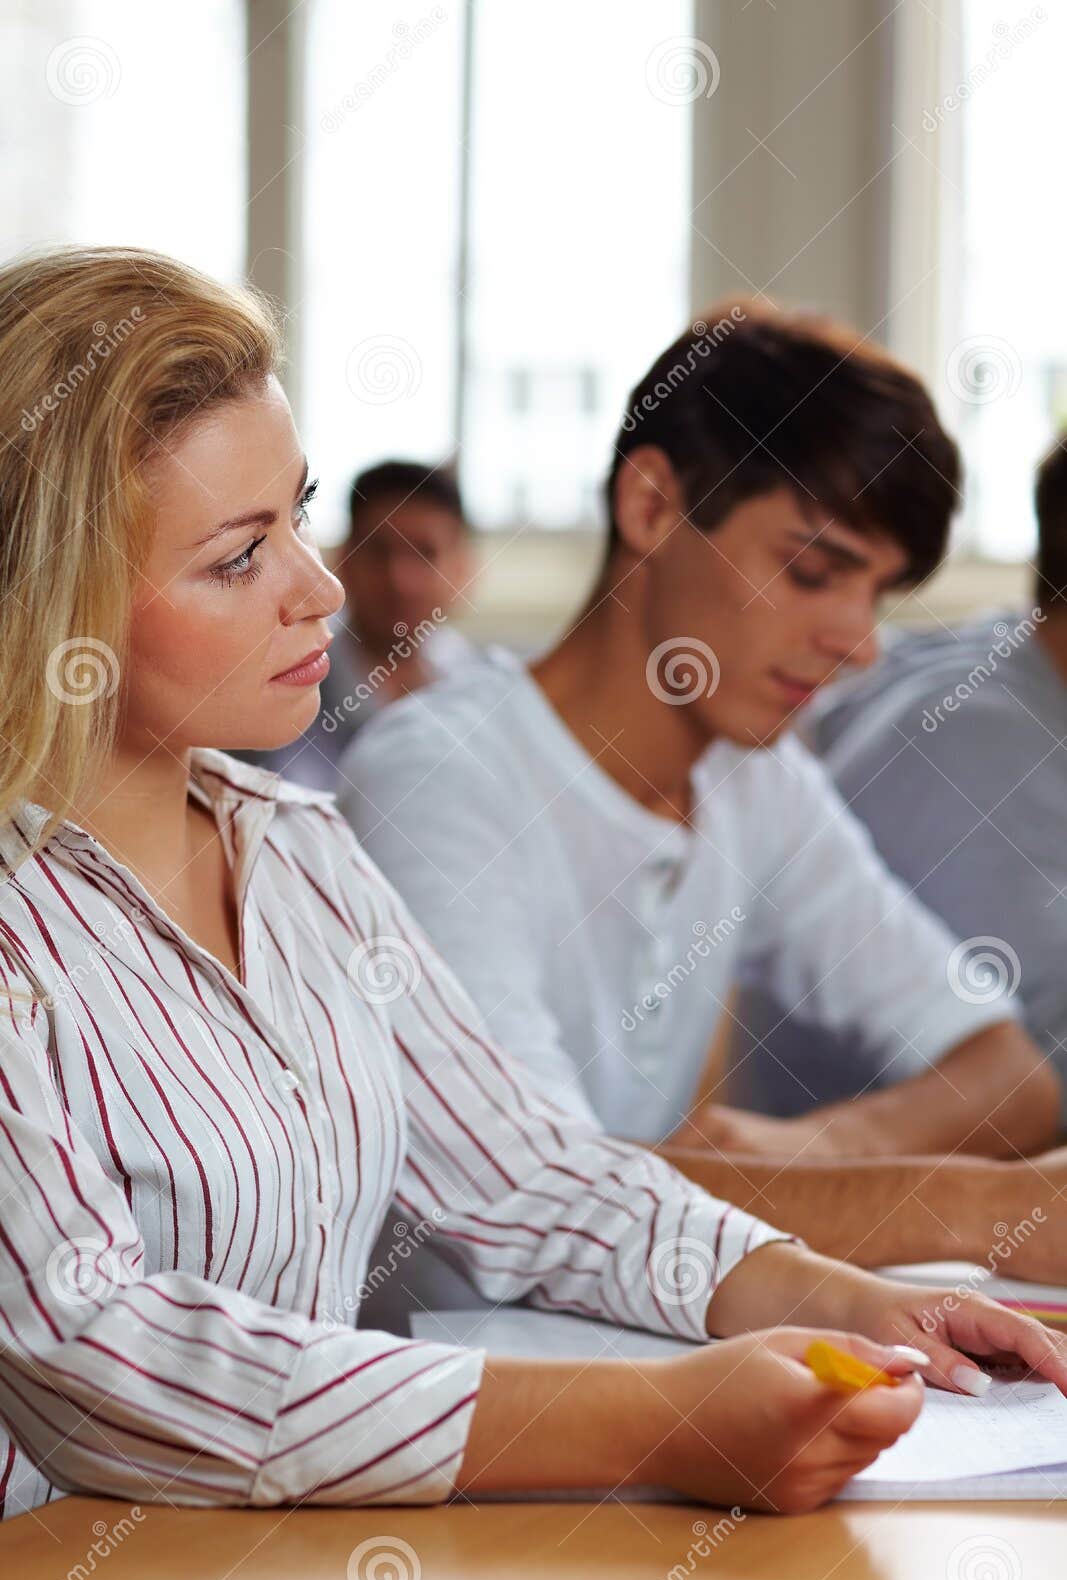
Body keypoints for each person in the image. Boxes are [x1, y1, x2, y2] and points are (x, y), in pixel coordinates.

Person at [9, 249, 1062, 1528]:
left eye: (300, 515)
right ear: (49, 593)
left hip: (272, 1573)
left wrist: (838, 1296)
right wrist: (656, 1423)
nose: (324, 589)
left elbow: (527, 1173)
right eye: (239, 557)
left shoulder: (293, 853)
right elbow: (100, 1355)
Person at [340, 300, 1067, 1286]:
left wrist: (814, 1152)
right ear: (649, 506)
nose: (855, 643)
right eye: (812, 571)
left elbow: (1005, 1073)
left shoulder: (753, 779)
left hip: (658, 1359)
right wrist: (976, 1206)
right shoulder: (436, 774)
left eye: (875, 595)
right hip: (466, 1387)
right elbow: (531, 1194)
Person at [737, 434, 1067, 1130]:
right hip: (834, 1200)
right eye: (809, 570)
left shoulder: (997, 656)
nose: (855, 637)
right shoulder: (977, 747)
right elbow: (1034, 1091)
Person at [252, 459, 477, 790]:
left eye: (424, 553)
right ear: (344, 560)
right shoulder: (290, 686)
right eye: (378, 551)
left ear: (461, 569)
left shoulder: (472, 682)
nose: (400, 580)